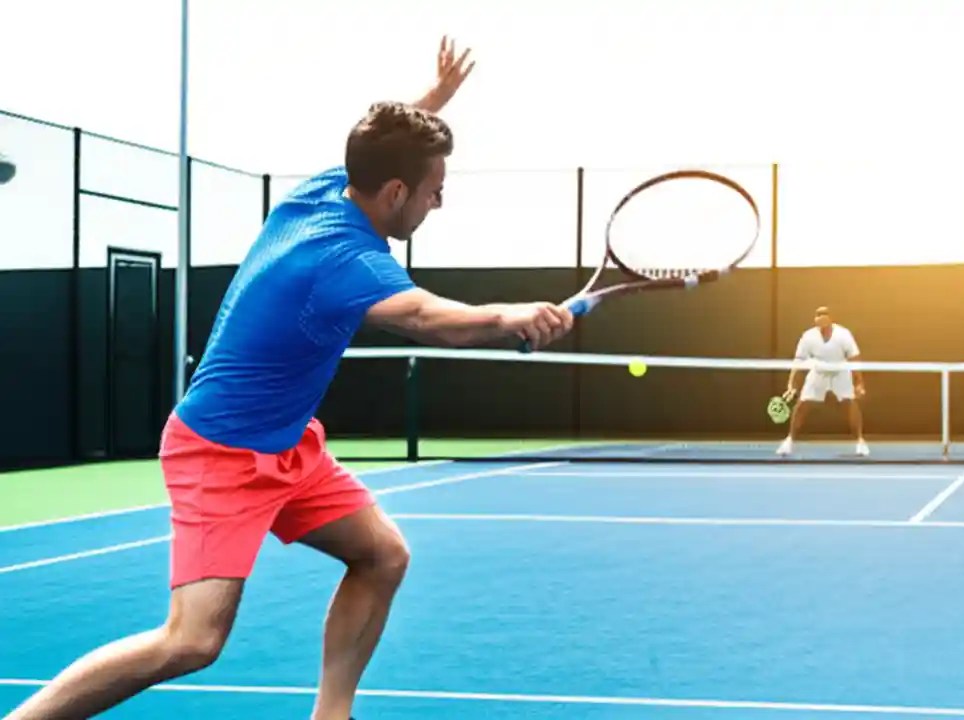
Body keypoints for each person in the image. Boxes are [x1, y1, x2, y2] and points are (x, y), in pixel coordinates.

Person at [7, 37, 574, 720]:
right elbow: (427, 319)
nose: (437, 204)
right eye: (433, 191)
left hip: (286, 446)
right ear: (395, 192)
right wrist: (511, 313)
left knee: (382, 556)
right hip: (220, 452)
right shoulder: (343, 259)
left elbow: (374, 147)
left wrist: (431, 103)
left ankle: (330, 716)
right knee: (191, 641)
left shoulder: (326, 189)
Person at [775, 306, 868, 457]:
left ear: (831, 318)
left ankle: (860, 442)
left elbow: (854, 358)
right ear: (815, 319)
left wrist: (859, 383)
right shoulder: (808, 336)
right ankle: (789, 441)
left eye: (824, 314)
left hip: (840, 371)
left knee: (850, 404)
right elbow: (798, 361)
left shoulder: (843, 334)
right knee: (802, 405)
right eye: (818, 315)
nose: (821, 317)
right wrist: (791, 384)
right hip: (818, 372)